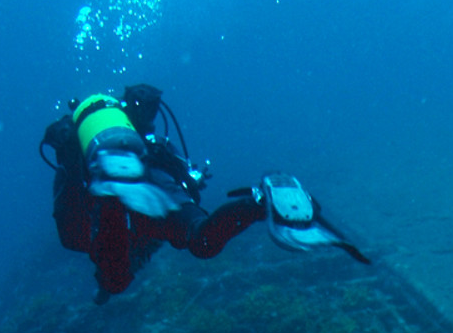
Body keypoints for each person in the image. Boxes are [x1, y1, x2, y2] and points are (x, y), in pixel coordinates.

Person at [41, 84, 369, 300]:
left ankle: (112, 196)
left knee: (110, 275)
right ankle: (258, 201)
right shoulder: (153, 144)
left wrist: (71, 163)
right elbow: (187, 183)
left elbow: (68, 222)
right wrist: (190, 183)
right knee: (202, 240)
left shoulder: (82, 157)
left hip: (104, 198)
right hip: (157, 187)